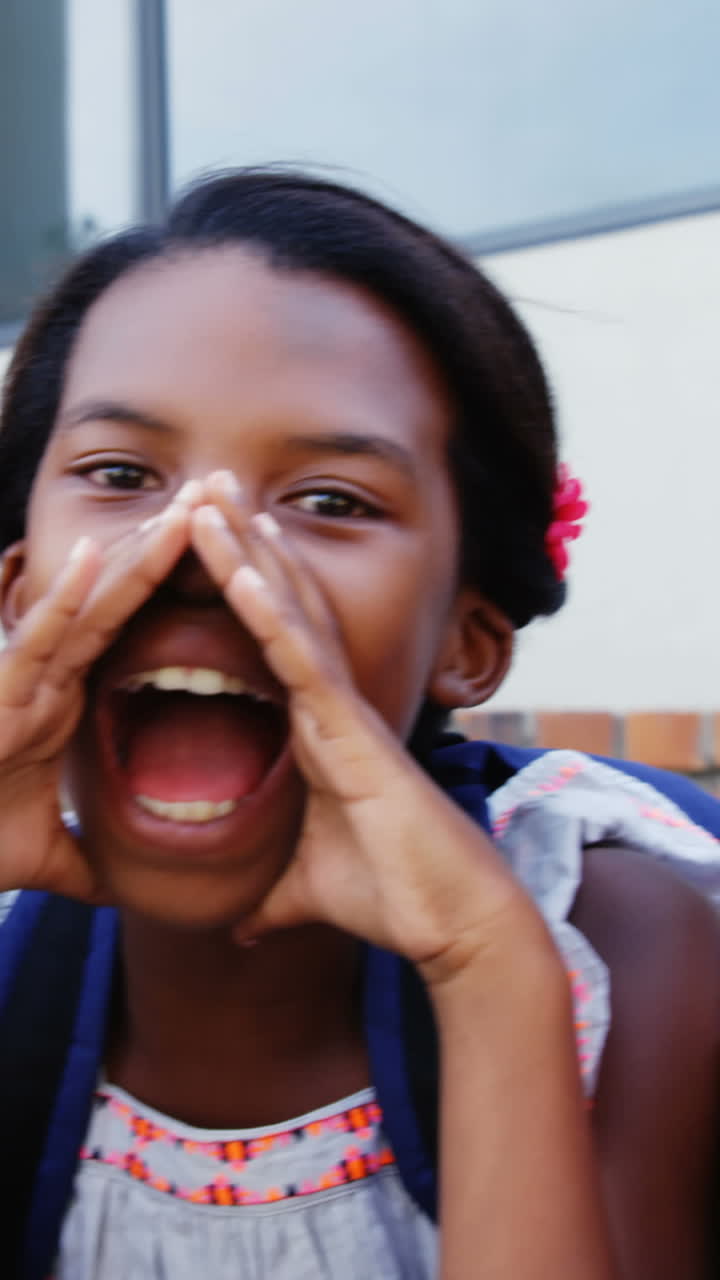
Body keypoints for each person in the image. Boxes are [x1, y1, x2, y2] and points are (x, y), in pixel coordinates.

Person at [0, 169, 718, 1280]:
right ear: (16, 591)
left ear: (465, 640)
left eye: (330, 500)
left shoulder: (617, 946)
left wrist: (489, 972)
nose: (202, 551)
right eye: (122, 474)